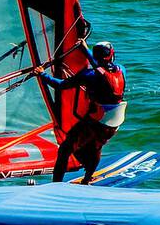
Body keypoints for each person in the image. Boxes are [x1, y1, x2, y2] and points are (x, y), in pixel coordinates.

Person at [42, 39, 127, 184]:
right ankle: (87, 179)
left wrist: (42, 74)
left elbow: (60, 85)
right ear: (112, 55)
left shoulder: (89, 75)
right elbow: (101, 68)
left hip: (97, 122)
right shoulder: (121, 70)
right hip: (115, 123)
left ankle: (55, 185)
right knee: (96, 147)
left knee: (65, 149)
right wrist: (84, 49)